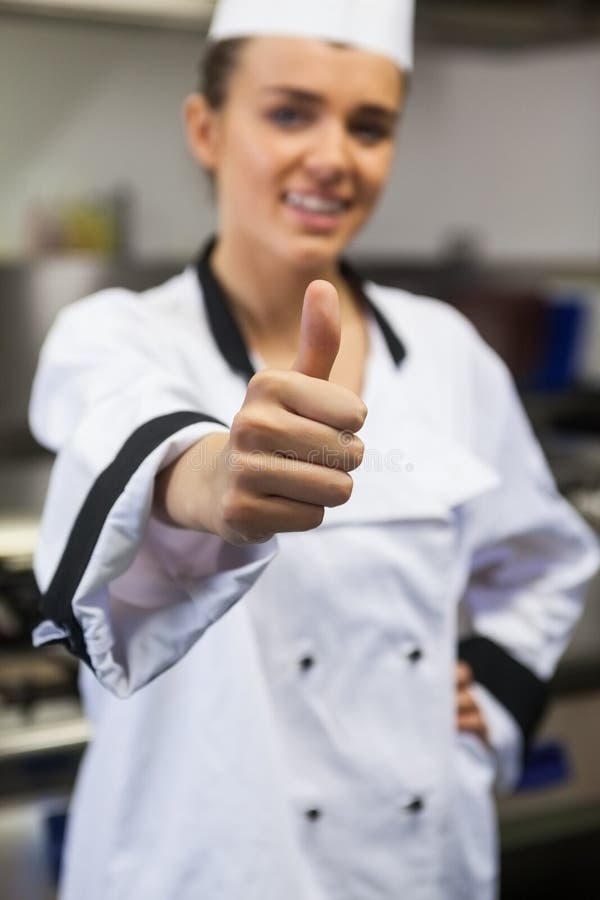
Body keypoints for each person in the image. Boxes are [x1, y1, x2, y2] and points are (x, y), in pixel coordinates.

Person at [29, 1, 599, 898]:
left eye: (369, 126)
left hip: (422, 866)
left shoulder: (445, 349)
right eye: (290, 112)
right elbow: (127, 437)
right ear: (206, 129)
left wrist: (492, 693)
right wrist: (212, 477)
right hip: (203, 858)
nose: (333, 157)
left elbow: (544, 558)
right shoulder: (115, 335)